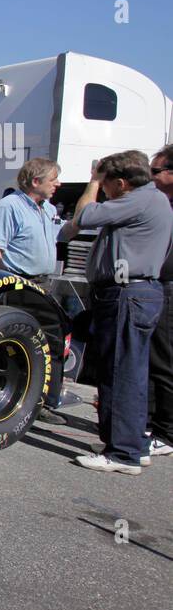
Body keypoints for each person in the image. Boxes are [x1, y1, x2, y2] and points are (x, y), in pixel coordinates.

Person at [59, 150, 173, 473]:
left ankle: (122, 453)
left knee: (120, 372)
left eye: (107, 185)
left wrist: (92, 184)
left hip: (126, 294)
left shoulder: (138, 199)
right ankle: (131, 445)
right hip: (137, 293)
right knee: (131, 371)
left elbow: (83, 216)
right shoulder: (154, 201)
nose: (104, 191)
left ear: (121, 184)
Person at [0, 156, 67, 417]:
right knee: (21, 346)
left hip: (44, 284)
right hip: (20, 285)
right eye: (53, 179)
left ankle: (46, 401)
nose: (58, 184)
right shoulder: (9, 207)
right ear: (36, 181)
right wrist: (8, 285)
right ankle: (18, 399)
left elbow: (64, 233)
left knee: (52, 343)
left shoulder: (48, 210)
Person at [145, 145, 173, 457]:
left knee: (165, 359)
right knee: (153, 358)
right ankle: (152, 422)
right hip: (158, 285)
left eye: (155, 171)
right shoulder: (162, 205)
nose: (150, 178)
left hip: (169, 287)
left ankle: (167, 431)